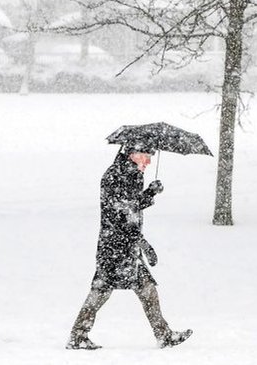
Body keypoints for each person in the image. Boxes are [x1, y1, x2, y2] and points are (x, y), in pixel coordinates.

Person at [66, 143, 192, 350]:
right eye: (146, 155)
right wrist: (142, 239)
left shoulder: (131, 173)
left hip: (124, 245)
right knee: (102, 290)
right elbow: (122, 211)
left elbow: (131, 207)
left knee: (143, 289)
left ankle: (164, 335)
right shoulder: (115, 175)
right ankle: (78, 336)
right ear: (133, 154)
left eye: (151, 156)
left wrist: (149, 193)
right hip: (115, 247)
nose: (149, 160)